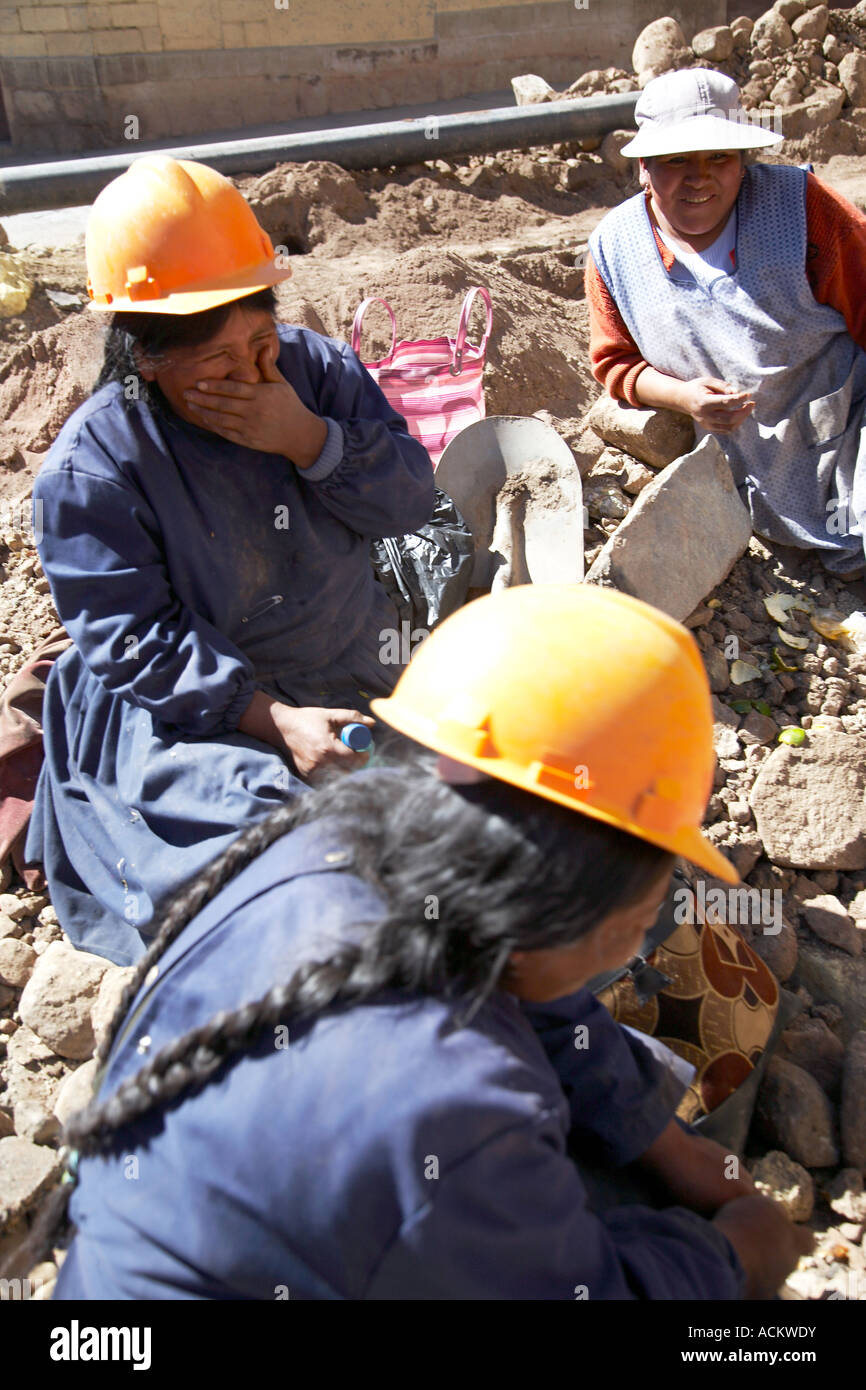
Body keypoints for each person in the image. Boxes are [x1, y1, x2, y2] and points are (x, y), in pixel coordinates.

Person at [39, 584, 810, 1300]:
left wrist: (654, 1137)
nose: (652, 917)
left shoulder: (328, 844)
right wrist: (735, 1257)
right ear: (583, 900)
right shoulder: (458, 1114)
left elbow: (538, 992)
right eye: (652, 888)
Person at [23, 155, 435, 966]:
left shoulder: (313, 373)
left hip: (354, 663)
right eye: (218, 366)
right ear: (147, 356)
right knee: (287, 868)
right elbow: (136, 640)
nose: (254, 373)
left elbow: (410, 500)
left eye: (261, 340)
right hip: (198, 717)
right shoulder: (92, 471)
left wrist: (309, 440)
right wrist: (275, 720)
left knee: (483, 815)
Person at [586, 67, 866, 574]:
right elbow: (616, 361)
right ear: (643, 167)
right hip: (743, 468)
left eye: (720, 156)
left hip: (846, 430)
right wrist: (683, 397)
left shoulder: (802, 208)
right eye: (676, 160)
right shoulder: (615, 248)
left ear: (743, 162)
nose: (700, 176)